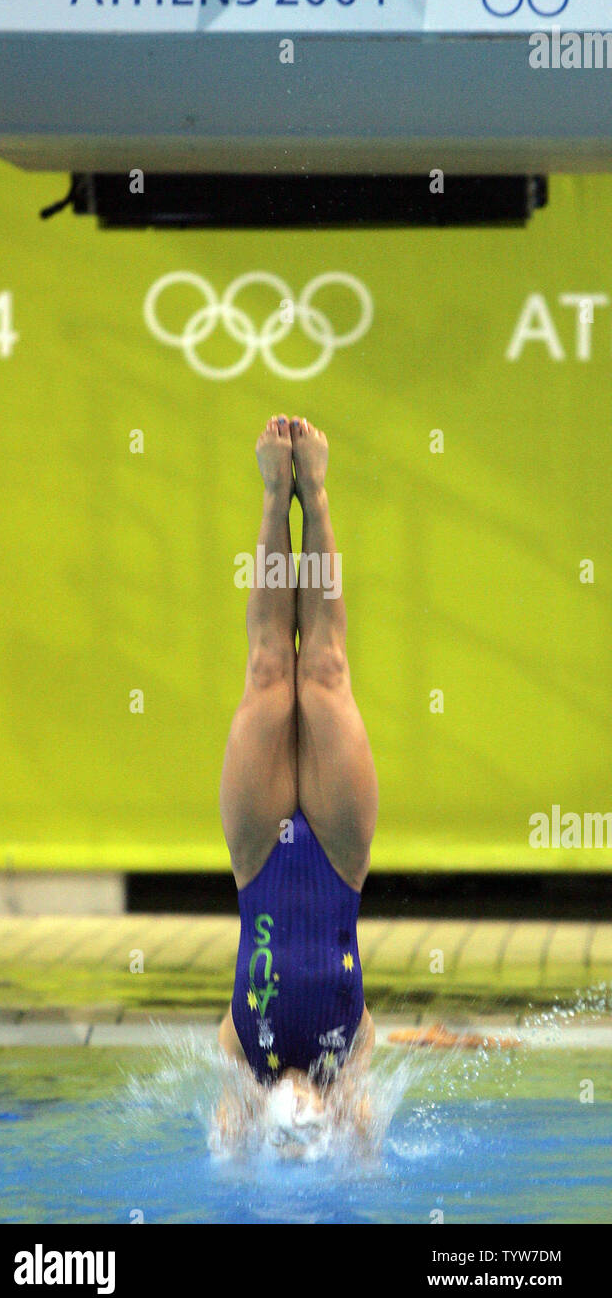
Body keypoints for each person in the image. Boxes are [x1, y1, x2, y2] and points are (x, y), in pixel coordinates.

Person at [217, 416, 379, 1152]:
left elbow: (224, 1150)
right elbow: (367, 1160)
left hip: (259, 862)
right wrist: (349, 1129)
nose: (300, 1111)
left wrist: (244, 1130)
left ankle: (271, 494)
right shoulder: (350, 1067)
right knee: (326, 669)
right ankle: (314, 494)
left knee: (266, 669)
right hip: (338, 862)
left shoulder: (242, 1064)